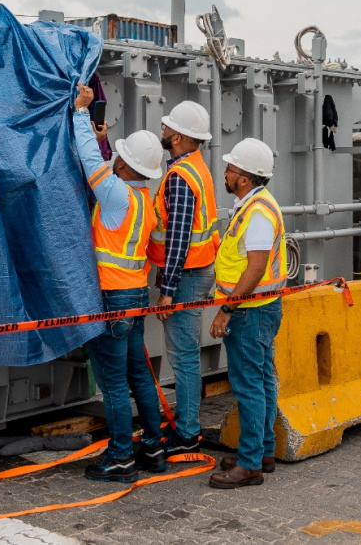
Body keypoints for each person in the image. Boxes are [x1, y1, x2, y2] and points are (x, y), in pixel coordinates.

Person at [73, 83, 168, 483]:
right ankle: (154, 447)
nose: (115, 162)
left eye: (120, 157)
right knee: (138, 374)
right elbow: (104, 162)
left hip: (111, 298)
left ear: (127, 167)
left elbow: (90, 160)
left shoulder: (114, 195)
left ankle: (120, 459)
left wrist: (81, 112)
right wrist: (103, 136)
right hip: (133, 297)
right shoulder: (142, 201)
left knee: (112, 383)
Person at [207, 138, 287, 489]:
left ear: (244, 178)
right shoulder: (256, 204)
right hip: (261, 310)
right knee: (264, 380)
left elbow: (254, 269)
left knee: (249, 386)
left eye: (230, 169)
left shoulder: (256, 213)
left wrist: (226, 309)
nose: (224, 173)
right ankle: (262, 452)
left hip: (249, 312)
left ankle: (250, 463)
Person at [148, 100, 219, 455]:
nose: (162, 131)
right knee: (184, 353)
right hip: (196, 269)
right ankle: (186, 422)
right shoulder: (195, 167)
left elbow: (177, 239)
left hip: (187, 275)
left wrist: (167, 290)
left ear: (176, 136)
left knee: (183, 355)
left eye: (166, 128)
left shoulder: (180, 178)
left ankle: (188, 431)